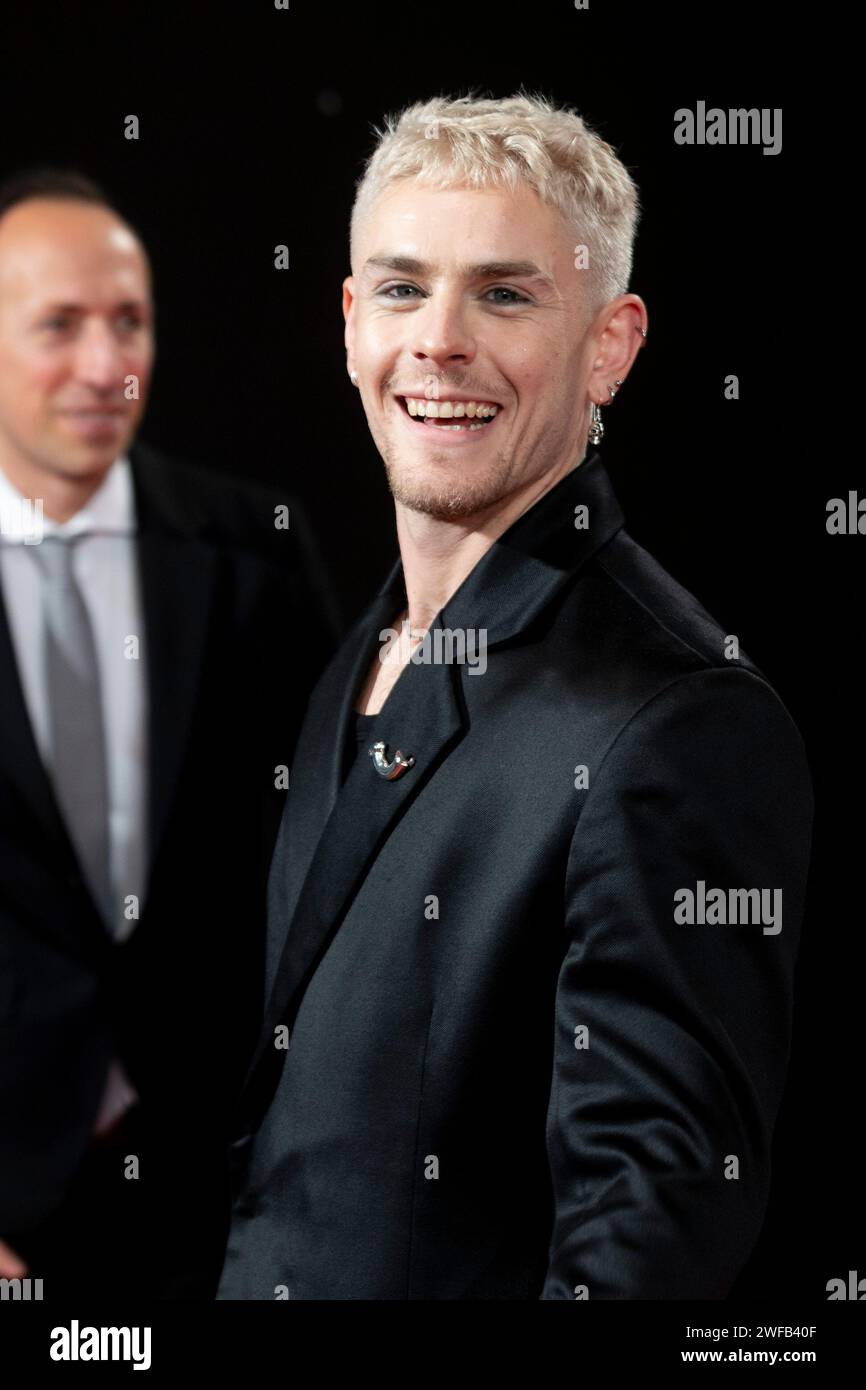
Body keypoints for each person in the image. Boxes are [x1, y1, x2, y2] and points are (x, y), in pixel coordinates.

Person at [217, 93, 813, 1300]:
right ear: (347, 325)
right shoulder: (362, 650)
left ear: (610, 344)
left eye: (502, 293)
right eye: (399, 288)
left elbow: (648, 1226)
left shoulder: (679, 720)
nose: (437, 340)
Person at [0, 169, 339, 1299]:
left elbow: (336, 859)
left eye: (129, 322)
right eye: (59, 325)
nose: (107, 367)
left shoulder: (253, 554)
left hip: (227, 1187)